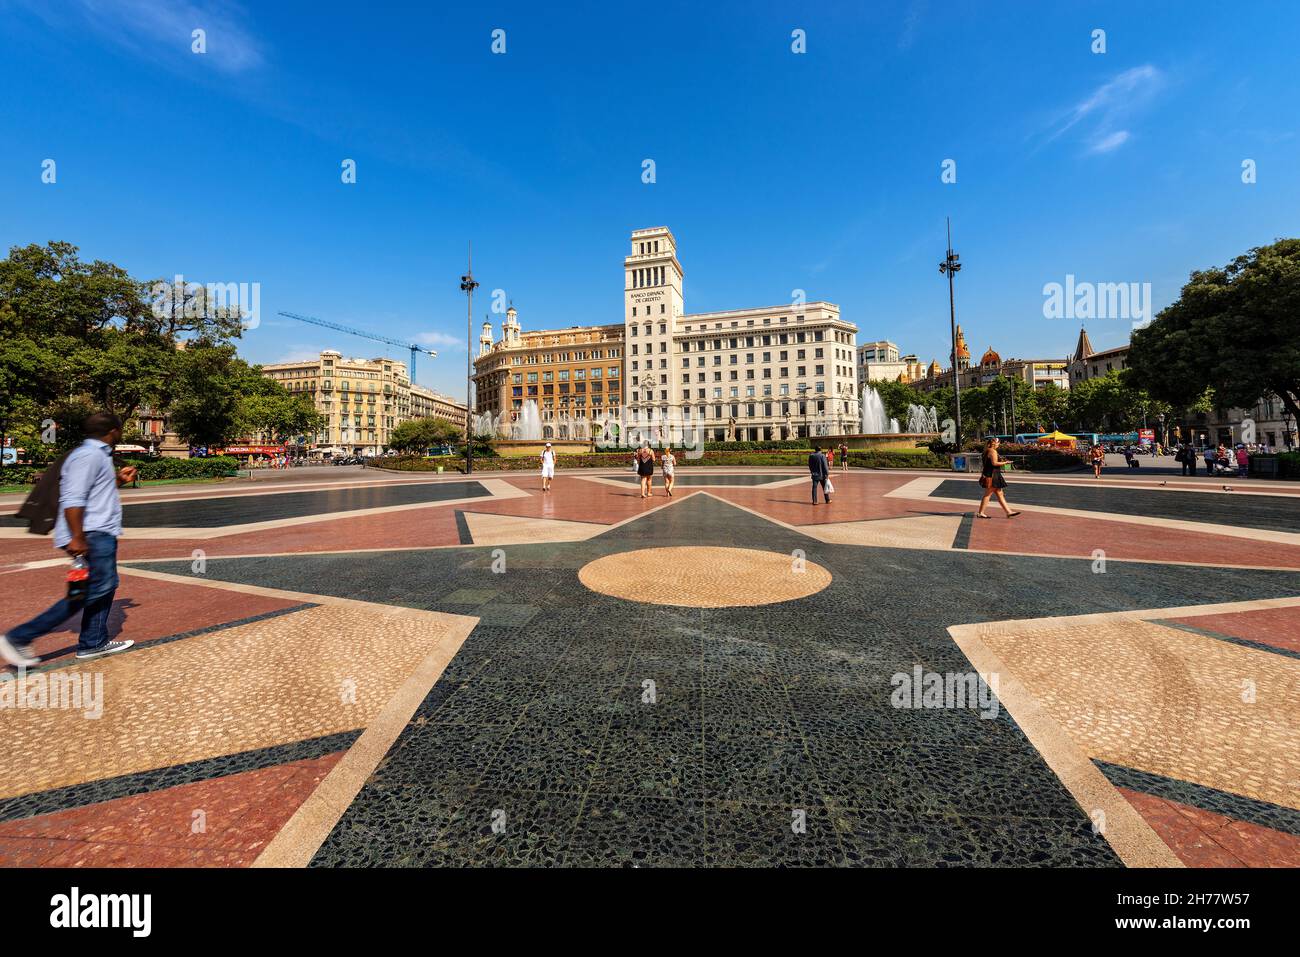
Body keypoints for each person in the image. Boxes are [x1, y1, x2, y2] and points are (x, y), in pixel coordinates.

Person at [0, 412, 137, 667]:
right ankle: (19, 637)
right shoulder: (89, 456)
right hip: (90, 534)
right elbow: (73, 499)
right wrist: (77, 537)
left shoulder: (98, 455)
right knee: (91, 590)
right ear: (113, 431)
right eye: (120, 429)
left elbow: (94, 494)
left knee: (105, 586)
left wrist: (119, 480)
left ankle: (93, 642)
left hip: (98, 531)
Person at [977, 436, 1021, 519]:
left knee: (999, 494)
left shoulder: (986, 451)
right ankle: (981, 513)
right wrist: (1005, 463)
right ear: (994, 443)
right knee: (988, 494)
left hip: (991, 474)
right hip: (993, 475)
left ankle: (1008, 512)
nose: (999, 444)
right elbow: (994, 463)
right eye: (998, 443)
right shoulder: (992, 451)